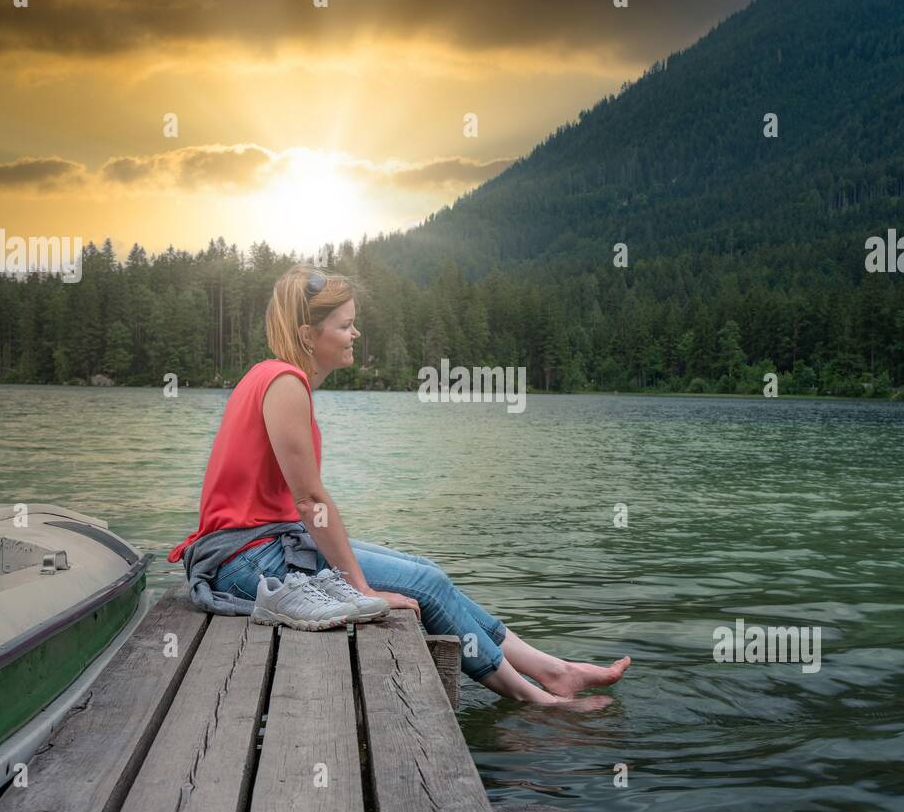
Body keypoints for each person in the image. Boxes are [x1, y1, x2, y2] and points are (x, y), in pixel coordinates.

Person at [169, 263, 630, 705]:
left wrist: (356, 580)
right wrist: (361, 590)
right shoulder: (285, 383)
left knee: (425, 569)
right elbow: (310, 501)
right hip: (247, 560)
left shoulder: (271, 377)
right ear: (310, 336)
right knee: (424, 585)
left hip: (266, 545)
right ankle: (534, 698)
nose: (356, 334)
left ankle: (551, 671)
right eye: (346, 325)